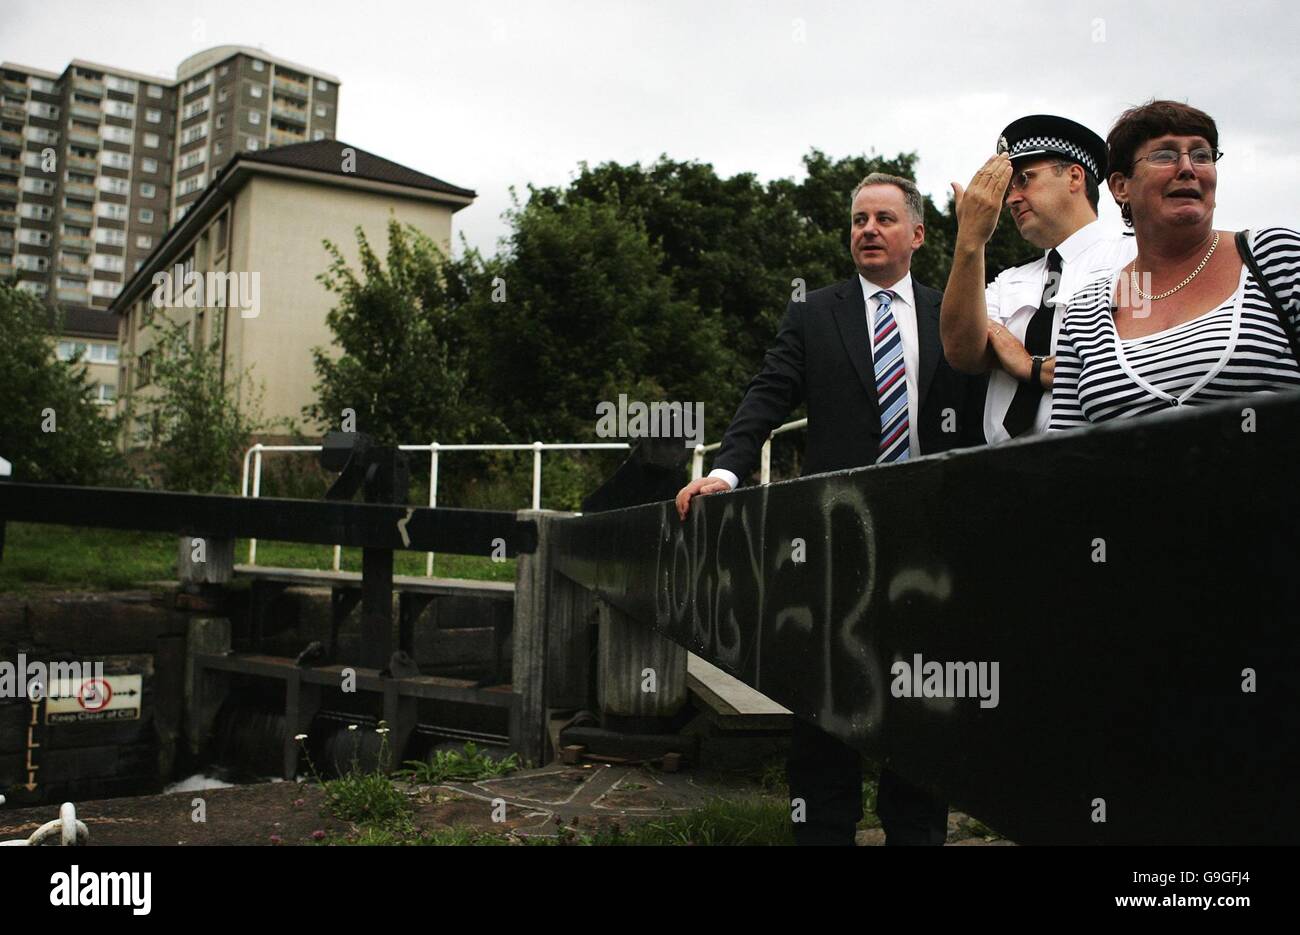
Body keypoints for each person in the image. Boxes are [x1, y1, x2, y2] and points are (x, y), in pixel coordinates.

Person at [675, 173, 986, 845]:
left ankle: (916, 834)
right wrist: (726, 469)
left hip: (927, 548)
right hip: (833, 543)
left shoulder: (954, 312)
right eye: (858, 220)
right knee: (824, 717)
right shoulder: (813, 314)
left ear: (918, 234)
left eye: (882, 218)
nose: (867, 229)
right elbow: (767, 394)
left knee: (921, 714)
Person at [1050, 100, 1300, 429]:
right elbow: (1064, 459)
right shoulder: (1085, 311)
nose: (1188, 167)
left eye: (1201, 155)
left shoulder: (1274, 257)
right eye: (1165, 155)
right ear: (1121, 186)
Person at [942, 114, 1136, 442]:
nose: (1011, 199)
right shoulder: (1008, 281)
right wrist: (970, 243)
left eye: (1025, 180)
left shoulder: (1133, 258)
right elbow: (962, 351)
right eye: (1008, 187)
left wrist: (1025, 363)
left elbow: (1131, 366)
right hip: (1009, 471)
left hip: (1100, 459)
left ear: (1075, 177)